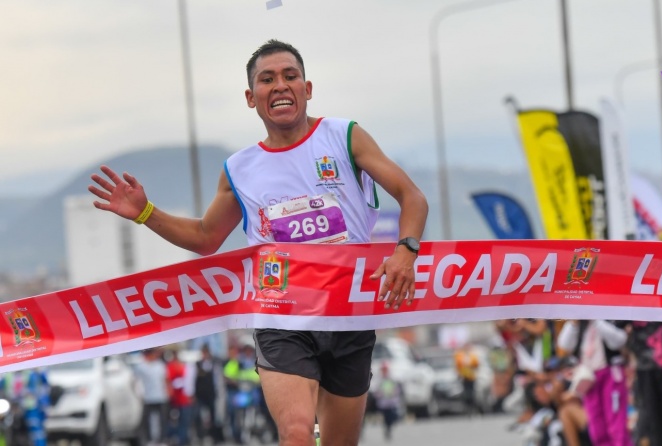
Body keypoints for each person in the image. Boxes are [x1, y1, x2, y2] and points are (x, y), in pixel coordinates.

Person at [89, 39, 428, 446]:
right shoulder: (240, 169)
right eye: (267, 80)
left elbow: (412, 197)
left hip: (348, 314)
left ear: (307, 89)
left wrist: (405, 250)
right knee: (297, 433)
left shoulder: (345, 136)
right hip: (281, 317)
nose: (280, 85)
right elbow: (205, 238)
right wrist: (146, 212)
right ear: (251, 98)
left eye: (290, 76)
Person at [133, 348, 170, 446]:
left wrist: (168, 391)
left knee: (162, 420)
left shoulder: (160, 365)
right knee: (148, 421)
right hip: (148, 398)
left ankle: (162, 440)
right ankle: (150, 440)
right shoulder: (141, 366)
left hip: (161, 397)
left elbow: (165, 379)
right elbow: (135, 380)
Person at [194, 345, 224, 443]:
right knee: (199, 416)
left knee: (214, 416)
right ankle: (200, 436)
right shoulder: (198, 364)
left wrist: (219, 392)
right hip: (200, 395)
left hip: (211, 394)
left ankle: (214, 436)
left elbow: (217, 380)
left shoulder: (214, 364)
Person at [372, 361, 402, 441]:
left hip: (391, 403)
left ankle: (389, 429)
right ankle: (387, 430)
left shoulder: (392, 379)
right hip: (383, 404)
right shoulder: (379, 380)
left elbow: (396, 390)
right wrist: (379, 395)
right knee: (385, 419)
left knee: (392, 417)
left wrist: (393, 395)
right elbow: (376, 392)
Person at [454, 342, 480, 416]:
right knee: (466, 393)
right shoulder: (460, 355)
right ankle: (467, 409)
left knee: (472, 393)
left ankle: (473, 409)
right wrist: (459, 374)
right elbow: (457, 365)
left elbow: (476, 364)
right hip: (464, 377)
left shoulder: (472, 355)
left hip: (471, 377)